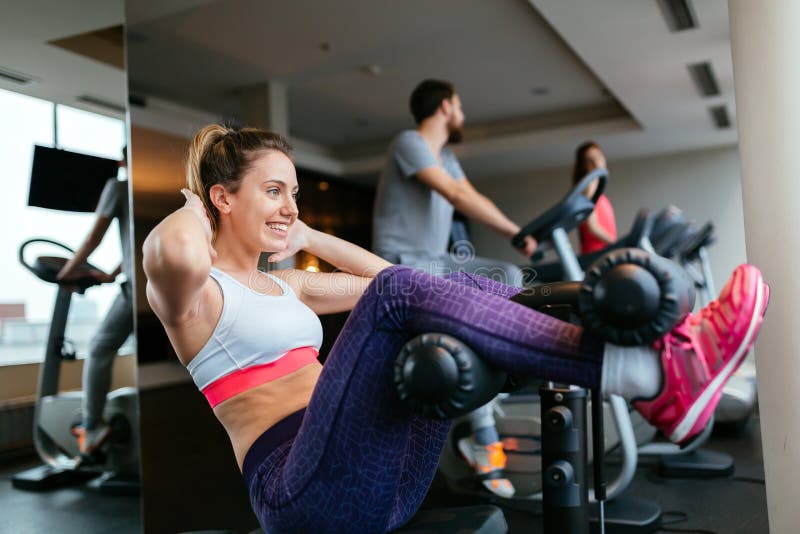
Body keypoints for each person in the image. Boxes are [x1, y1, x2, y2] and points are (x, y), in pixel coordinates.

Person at [142, 124, 768, 533]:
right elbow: (177, 254)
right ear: (223, 199)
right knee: (405, 293)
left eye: (295, 193)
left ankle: (656, 352)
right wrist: (192, 207)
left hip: (386, 482)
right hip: (301, 494)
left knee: (449, 288)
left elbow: (404, 286)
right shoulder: (193, 296)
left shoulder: (288, 284)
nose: (290, 206)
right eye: (275, 191)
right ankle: (654, 374)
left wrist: (310, 236)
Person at [373, 79, 538, 497]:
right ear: (446, 106)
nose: (463, 114)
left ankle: (492, 388)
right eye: (460, 106)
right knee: (495, 289)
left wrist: (518, 234)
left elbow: (468, 191)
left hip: (435, 259)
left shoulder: (446, 155)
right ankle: (483, 434)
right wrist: (515, 232)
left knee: (508, 276)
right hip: (400, 263)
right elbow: (453, 192)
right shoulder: (410, 142)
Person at [57, 147, 133, 458]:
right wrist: (114, 272)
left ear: (122, 162)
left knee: (101, 346)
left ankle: (92, 425)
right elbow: (140, 239)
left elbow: (93, 237)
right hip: (168, 287)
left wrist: (66, 272)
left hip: (137, 289)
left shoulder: (117, 187)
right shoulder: (157, 191)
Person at [573, 141, 618, 255]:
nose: (596, 163)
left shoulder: (598, 190)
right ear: (583, 166)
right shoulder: (590, 187)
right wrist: (616, 245)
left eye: (598, 156)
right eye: (590, 160)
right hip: (596, 254)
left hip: (604, 252)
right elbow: (592, 227)